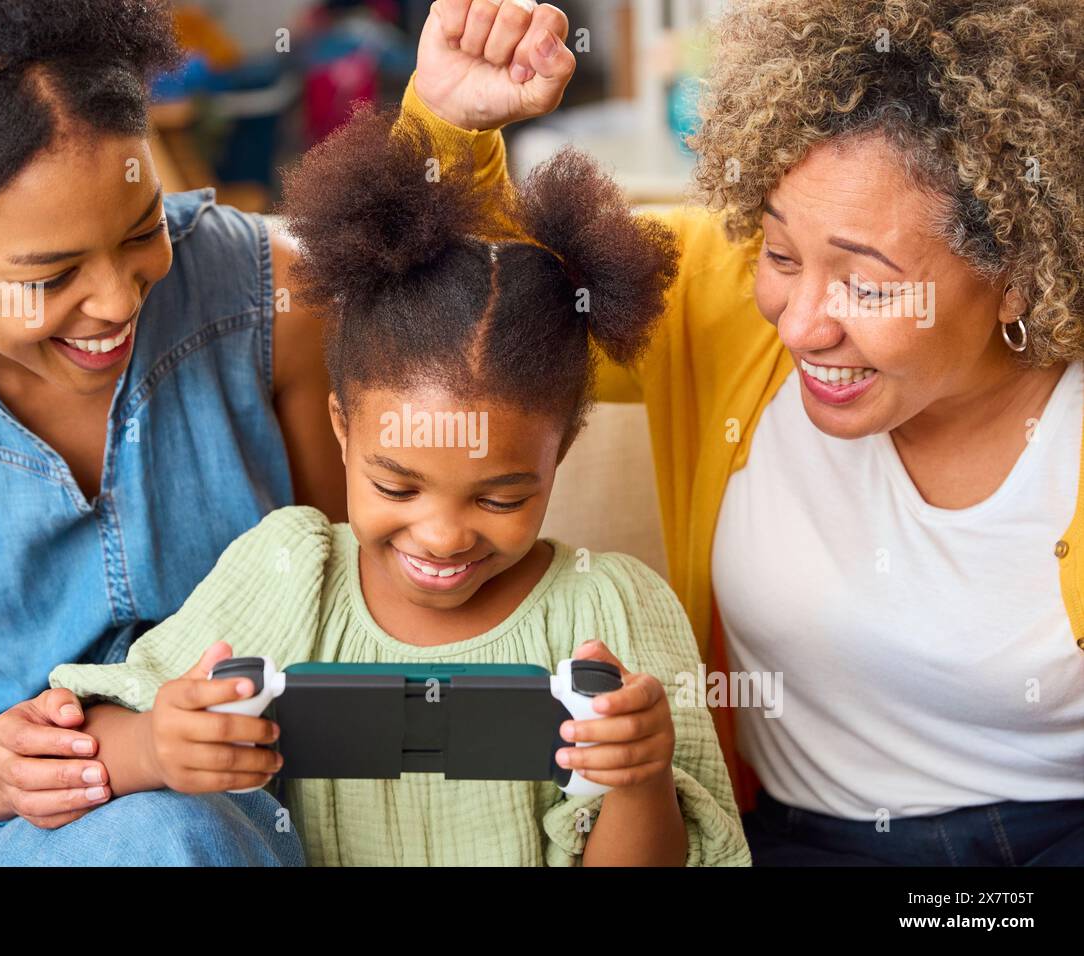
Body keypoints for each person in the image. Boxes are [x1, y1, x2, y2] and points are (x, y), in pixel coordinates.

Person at [405, 0, 1084, 864]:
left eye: (866, 286)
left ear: (1019, 275)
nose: (800, 326)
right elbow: (470, 318)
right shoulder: (713, 304)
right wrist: (451, 123)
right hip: (796, 840)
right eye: (782, 255)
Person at [41, 105, 751, 866]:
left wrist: (639, 779)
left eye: (499, 497)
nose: (443, 536)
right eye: (398, 487)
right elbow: (104, 733)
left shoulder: (616, 608)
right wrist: (157, 739)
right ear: (342, 429)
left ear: (562, 451)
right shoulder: (291, 572)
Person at [0, 0, 344, 865]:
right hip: (13, 829)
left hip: (285, 799)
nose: (119, 301)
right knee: (170, 837)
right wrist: (7, 777)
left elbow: (364, 596)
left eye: (140, 230)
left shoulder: (275, 298)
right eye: (49, 276)